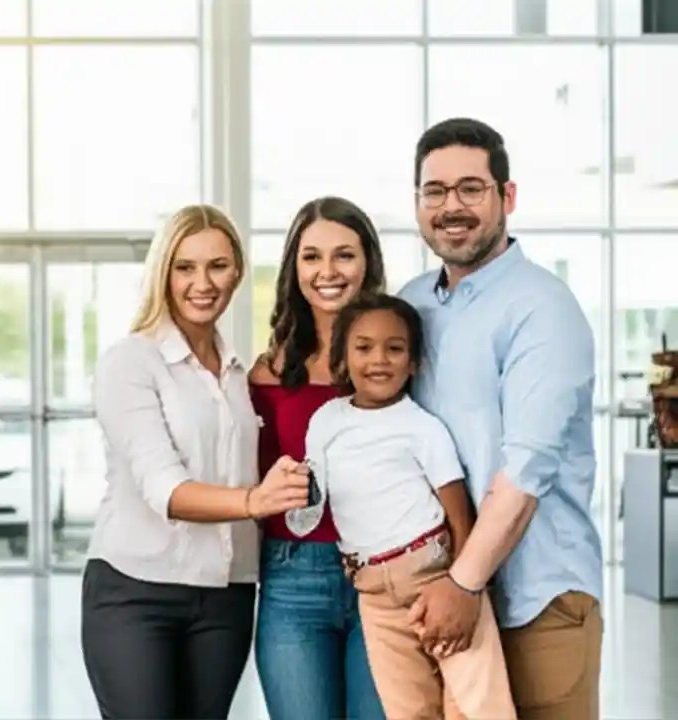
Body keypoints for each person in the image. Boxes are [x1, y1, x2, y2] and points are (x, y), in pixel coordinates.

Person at [397, 117, 603, 720]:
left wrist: (464, 582)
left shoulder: (543, 309)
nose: (450, 207)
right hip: (438, 599)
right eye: (434, 191)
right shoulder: (410, 304)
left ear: (506, 197)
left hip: (536, 603)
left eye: (470, 188)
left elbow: (525, 470)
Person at [81, 203, 310, 720]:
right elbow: (164, 490)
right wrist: (256, 501)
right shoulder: (130, 362)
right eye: (185, 267)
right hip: (136, 592)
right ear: (164, 273)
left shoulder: (236, 373)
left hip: (227, 595)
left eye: (218, 266)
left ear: (238, 272)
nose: (202, 283)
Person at [306, 292, 516, 719]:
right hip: (374, 594)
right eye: (363, 347)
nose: (379, 359)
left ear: (414, 363)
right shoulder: (326, 421)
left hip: (435, 576)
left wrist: (468, 587)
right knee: (407, 710)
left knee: (477, 707)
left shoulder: (422, 428)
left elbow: (459, 513)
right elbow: (312, 505)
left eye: (395, 348)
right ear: (342, 359)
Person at [248, 196, 387, 720]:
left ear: (368, 261)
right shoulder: (269, 370)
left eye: (344, 255)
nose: (327, 271)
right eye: (311, 257)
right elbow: (252, 480)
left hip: (386, 573)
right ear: (294, 268)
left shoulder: (397, 355)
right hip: (293, 578)